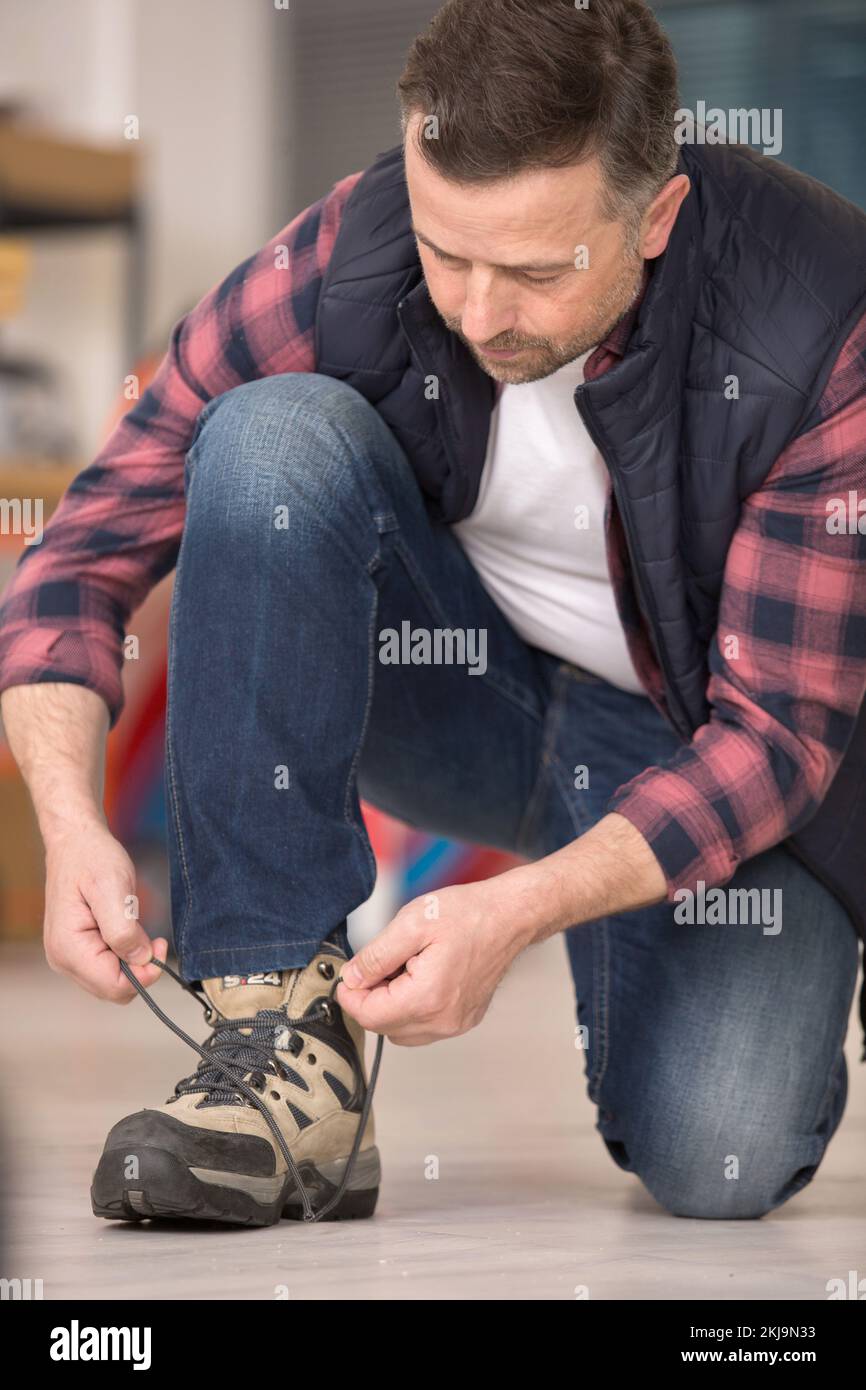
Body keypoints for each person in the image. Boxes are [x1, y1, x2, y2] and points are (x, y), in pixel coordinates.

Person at [1, 0, 864, 1227]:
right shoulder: (349, 256)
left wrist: (517, 907)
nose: (474, 311)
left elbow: (778, 738)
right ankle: (281, 1061)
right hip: (466, 698)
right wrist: (69, 817)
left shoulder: (821, 326)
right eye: (447, 252)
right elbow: (81, 546)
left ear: (655, 217)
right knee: (265, 440)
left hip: (698, 743)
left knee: (713, 1153)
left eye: (530, 269)